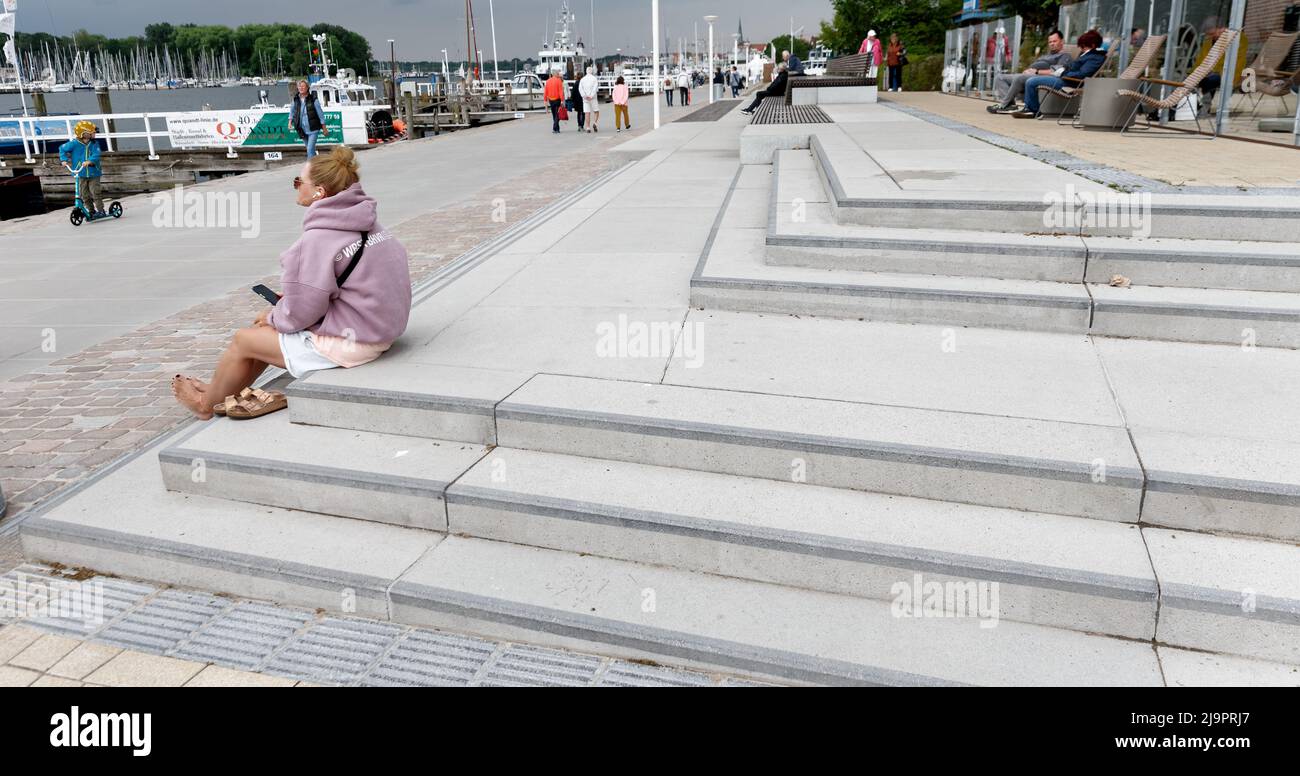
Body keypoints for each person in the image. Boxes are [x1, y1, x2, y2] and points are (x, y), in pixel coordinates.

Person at [172, 147, 411, 420]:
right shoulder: (371, 225)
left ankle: (205, 405)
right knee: (262, 332)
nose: (296, 187)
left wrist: (274, 315)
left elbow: (298, 315)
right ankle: (222, 388)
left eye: (298, 182)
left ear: (319, 192)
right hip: (382, 330)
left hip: (355, 342)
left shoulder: (317, 240)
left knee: (245, 338)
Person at [1015, 30, 1106, 118]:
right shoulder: (1087, 54)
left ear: (1093, 45)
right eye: (1081, 46)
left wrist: (1063, 73)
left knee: (1031, 81)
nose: (1082, 48)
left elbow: (1082, 74)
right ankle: (1030, 109)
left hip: (1070, 82)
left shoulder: (1095, 57)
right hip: (1065, 78)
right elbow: (1075, 68)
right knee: (1031, 79)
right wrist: (1062, 69)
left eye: (1084, 46)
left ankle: (1032, 110)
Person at [988, 29, 1072, 113]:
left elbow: (1057, 72)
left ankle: (1003, 105)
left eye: (1054, 41)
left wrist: (1036, 72)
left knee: (1020, 78)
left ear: (1062, 41)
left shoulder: (1064, 56)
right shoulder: (1046, 55)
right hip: (1028, 75)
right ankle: (1010, 105)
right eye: (1050, 42)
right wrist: (1028, 70)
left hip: (1040, 77)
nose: (1052, 44)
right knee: (1000, 77)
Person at [59, 120, 105, 217]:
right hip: (80, 173)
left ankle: (101, 210)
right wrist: (64, 159)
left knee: (95, 192)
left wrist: (89, 161)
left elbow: (97, 154)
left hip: (94, 172)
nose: (94, 134)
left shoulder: (94, 143)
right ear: (84, 134)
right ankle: (91, 211)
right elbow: (62, 149)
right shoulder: (74, 144)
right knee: (84, 194)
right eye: (92, 132)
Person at [288, 80, 329, 158]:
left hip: (313, 129)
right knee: (310, 149)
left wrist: (324, 128)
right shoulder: (295, 99)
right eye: (299, 86)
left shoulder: (313, 99)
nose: (301, 88)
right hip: (302, 129)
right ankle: (316, 165)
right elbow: (292, 111)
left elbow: (320, 114)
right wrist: (290, 121)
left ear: (307, 88)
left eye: (303, 86)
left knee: (309, 149)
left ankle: (310, 168)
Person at [579, 65, 600, 132]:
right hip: (593, 98)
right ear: (592, 72)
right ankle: (595, 123)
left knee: (587, 113)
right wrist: (591, 95)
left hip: (585, 99)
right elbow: (595, 88)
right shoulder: (594, 79)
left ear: (586, 71)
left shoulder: (582, 79)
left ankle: (588, 127)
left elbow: (580, 89)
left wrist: (585, 96)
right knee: (596, 111)